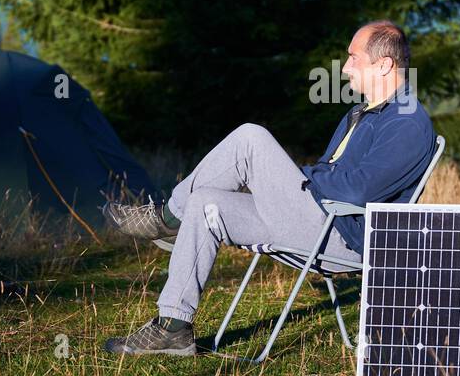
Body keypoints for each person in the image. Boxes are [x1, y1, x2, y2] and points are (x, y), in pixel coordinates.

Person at [101, 20, 436, 356]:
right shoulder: (361, 113)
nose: (345, 67)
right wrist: (301, 180)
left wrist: (299, 177)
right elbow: (329, 174)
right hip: (316, 219)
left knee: (251, 138)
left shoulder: (406, 122)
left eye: (353, 58)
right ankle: (173, 327)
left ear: (384, 65)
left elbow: (359, 191)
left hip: (342, 236)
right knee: (204, 203)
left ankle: (167, 219)